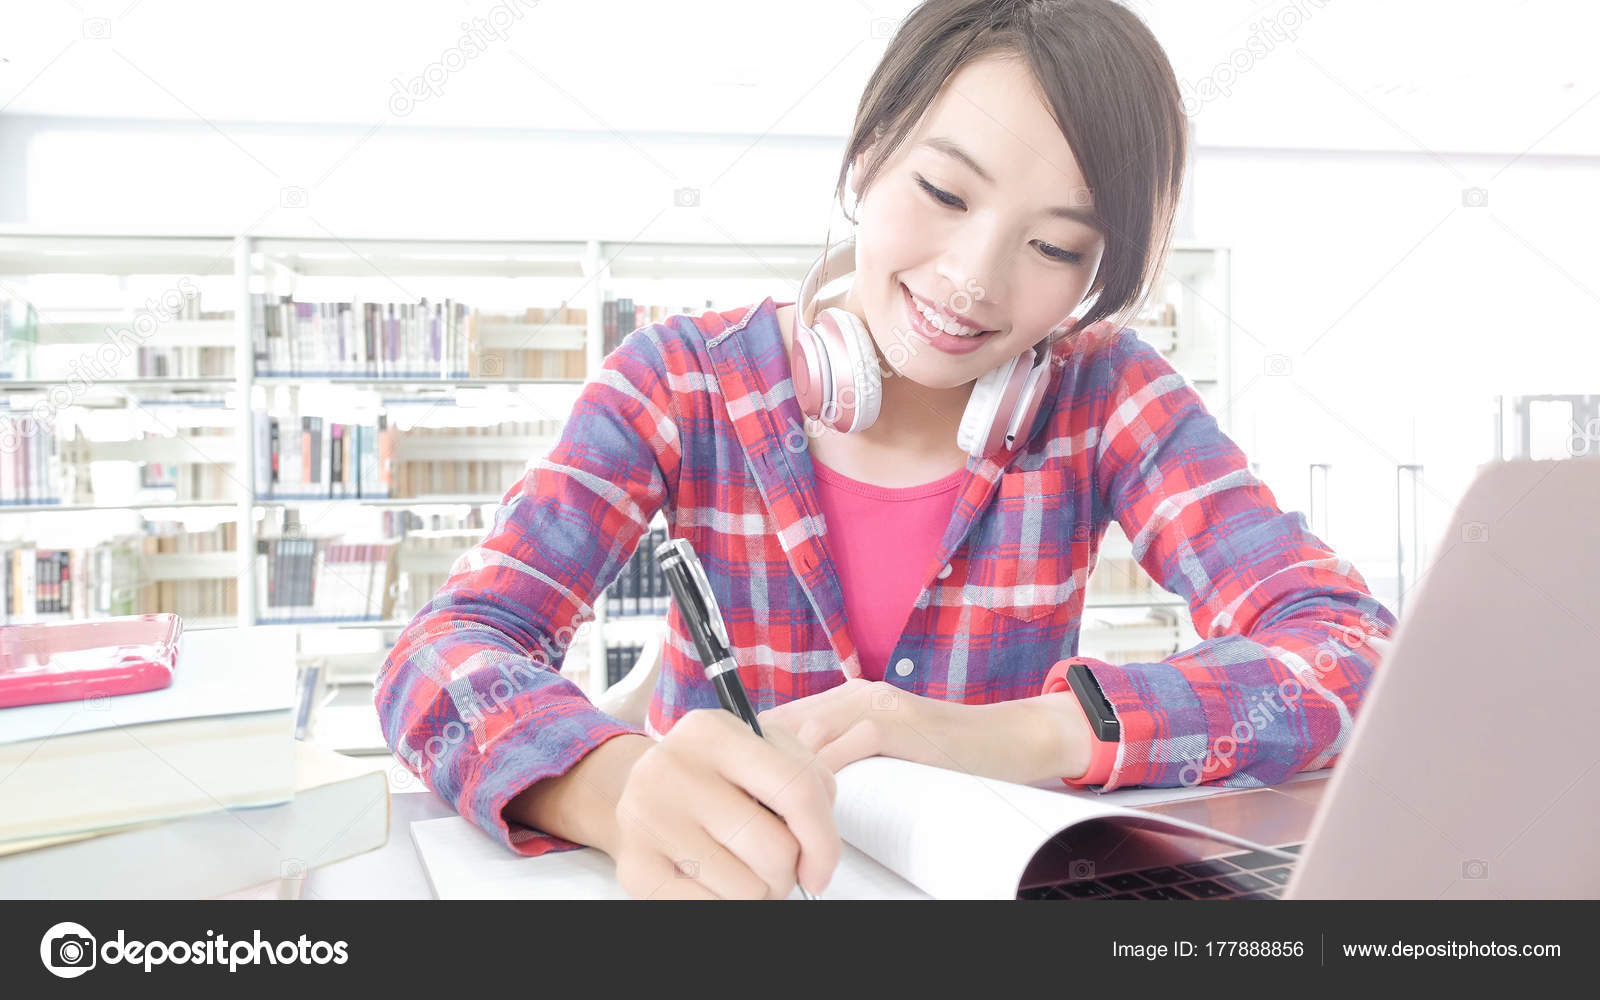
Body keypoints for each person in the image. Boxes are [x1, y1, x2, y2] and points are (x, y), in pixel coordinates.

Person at [375, 0, 1396, 900]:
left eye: (1053, 248)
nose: (972, 279)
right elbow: (444, 652)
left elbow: (1348, 647)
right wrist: (612, 785)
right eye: (945, 194)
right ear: (866, 156)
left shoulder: (1106, 394)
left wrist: (1018, 737)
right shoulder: (678, 379)